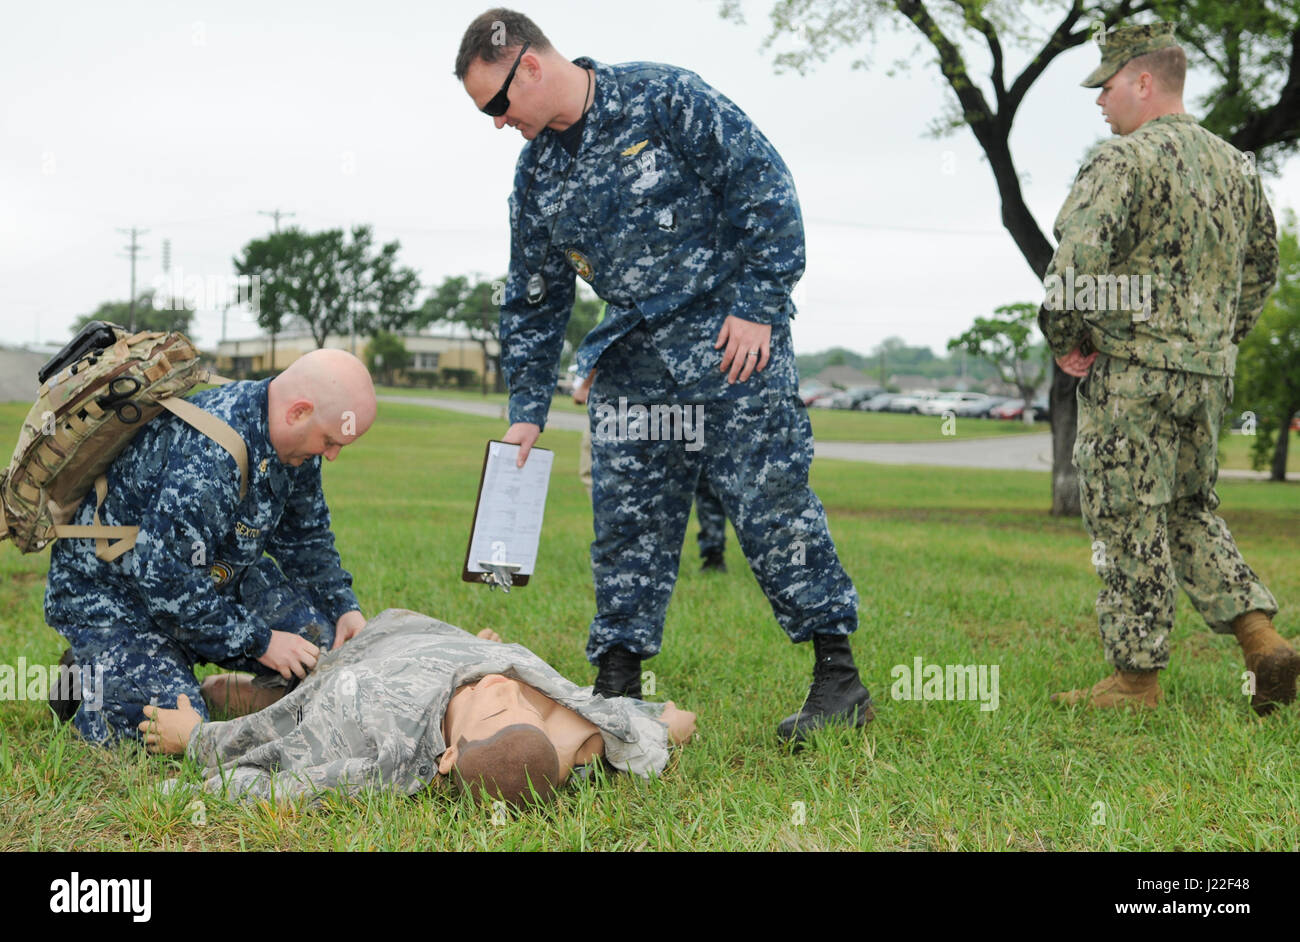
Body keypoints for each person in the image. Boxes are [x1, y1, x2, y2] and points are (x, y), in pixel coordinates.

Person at [456, 9, 871, 743]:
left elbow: (763, 187)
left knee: (772, 506)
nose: (495, 123)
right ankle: (617, 684)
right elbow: (534, 295)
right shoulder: (536, 173)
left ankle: (837, 679)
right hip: (632, 362)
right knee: (627, 524)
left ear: (529, 66)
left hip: (729, 346)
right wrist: (527, 404)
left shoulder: (665, 98)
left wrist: (758, 306)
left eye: (496, 105)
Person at [1039, 23, 1298, 713]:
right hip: (1206, 375)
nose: (1100, 102)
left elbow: (1072, 267)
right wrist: (1217, 338)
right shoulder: (1236, 165)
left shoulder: (1122, 161)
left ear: (1145, 82)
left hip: (1131, 374)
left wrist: (1069, 339)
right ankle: (1261, 640)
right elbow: (1263, 270)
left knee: (1126, 516)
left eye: (1109, 85)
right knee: (1190, 511)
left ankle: (1135, 680)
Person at [44, 349, 378, 742]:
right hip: (117, 597)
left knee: (320, 653)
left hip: (210, 579)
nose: (333, 454)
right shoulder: (210, 454)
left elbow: (307, 538)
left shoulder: (298, 450)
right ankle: (88, 677)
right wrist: (262, 642)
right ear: (298, 412)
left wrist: (344, 608)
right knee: (171, 722)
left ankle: (166, 661)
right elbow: (167, 583)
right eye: (330, 440)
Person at [139, 608, 698, 806]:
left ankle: (267, 693)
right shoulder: (566, 724)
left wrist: (194, 739)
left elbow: (275, 780)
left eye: (494, 709)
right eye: (521, 705)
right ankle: (271, 685)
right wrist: (664, 728)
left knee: (297, 707)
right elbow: (654, 724)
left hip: (344, 679)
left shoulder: (392, 756)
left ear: (449, 757)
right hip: (425, 638)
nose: (502, 690)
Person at [575, 368, 728, 573]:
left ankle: (632, 545)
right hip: (689, 397)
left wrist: (585, 386)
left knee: (651, 478)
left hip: (644, 400)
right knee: (696, 479)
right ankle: (709, 553)